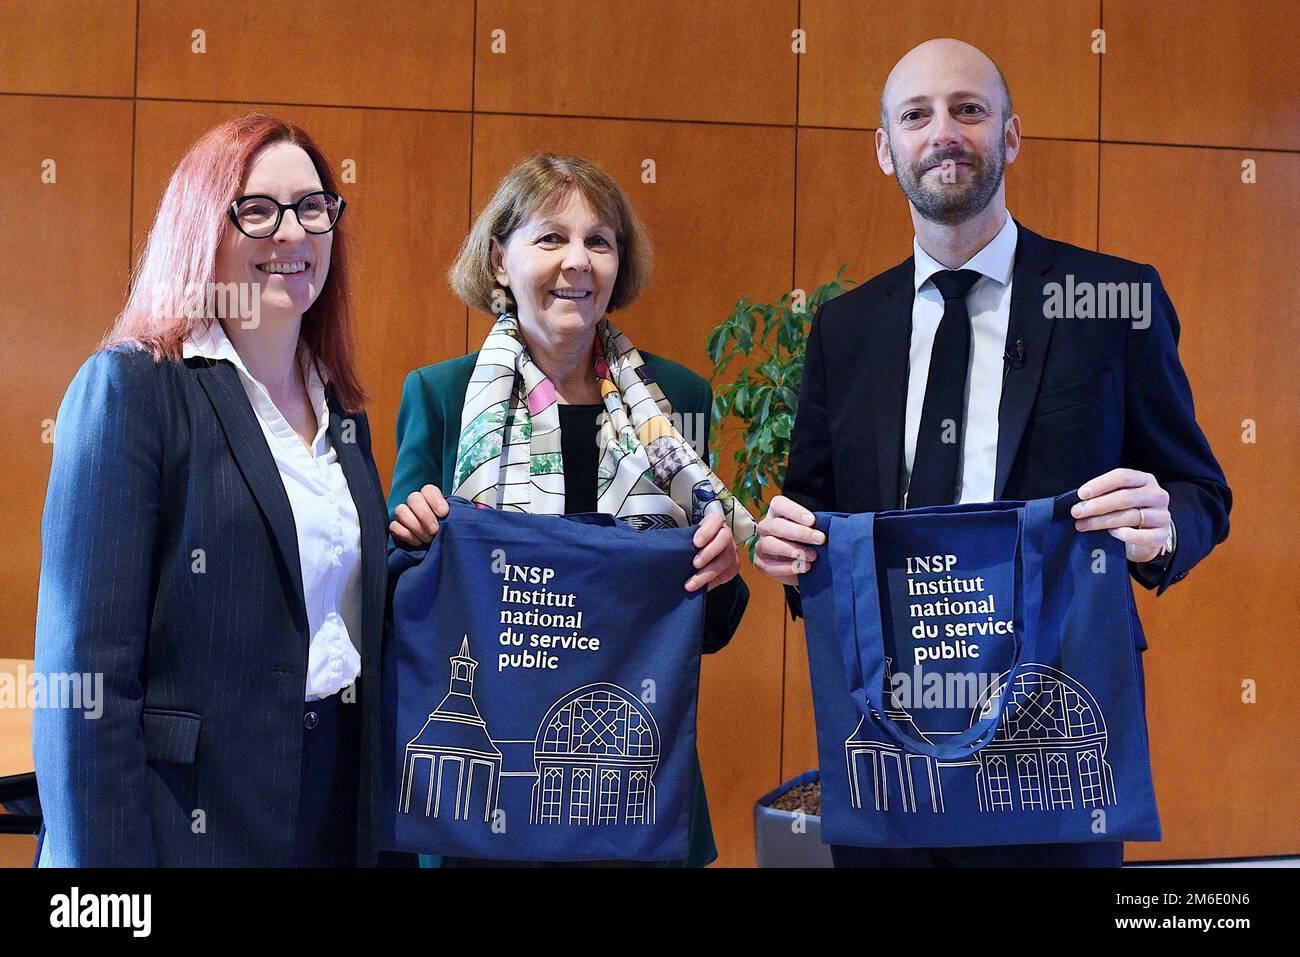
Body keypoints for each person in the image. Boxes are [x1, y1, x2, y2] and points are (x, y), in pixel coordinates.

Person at [754, 39, 1231, 867]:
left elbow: (1199, 491)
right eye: (917, 115)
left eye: (969, 110)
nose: (944, 132)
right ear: (885, 149)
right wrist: (784, 548)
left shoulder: (1113, 297)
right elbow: (809, 513)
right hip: (889, 735)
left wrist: (1165, 529)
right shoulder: (845, 329)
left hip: (1056, 730)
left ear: (1011, 135)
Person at [33, 113, 392, 867]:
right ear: (204, 226)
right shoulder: (133, 389)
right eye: (258, 209)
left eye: (313, 207)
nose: (292, 232)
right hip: (185, 825)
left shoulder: (344, 412)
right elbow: (82, 683)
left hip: (332, 811)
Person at [388, 152, 754, 867]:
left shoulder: (679, 400)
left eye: (600, 240)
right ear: (499, 259)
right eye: (550, 237)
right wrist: (411, 538)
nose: (577, 261)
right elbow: (403, 602)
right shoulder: (440, 395)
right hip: (483, 810)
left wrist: (719, 565)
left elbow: (708, 626)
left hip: (637, 793)